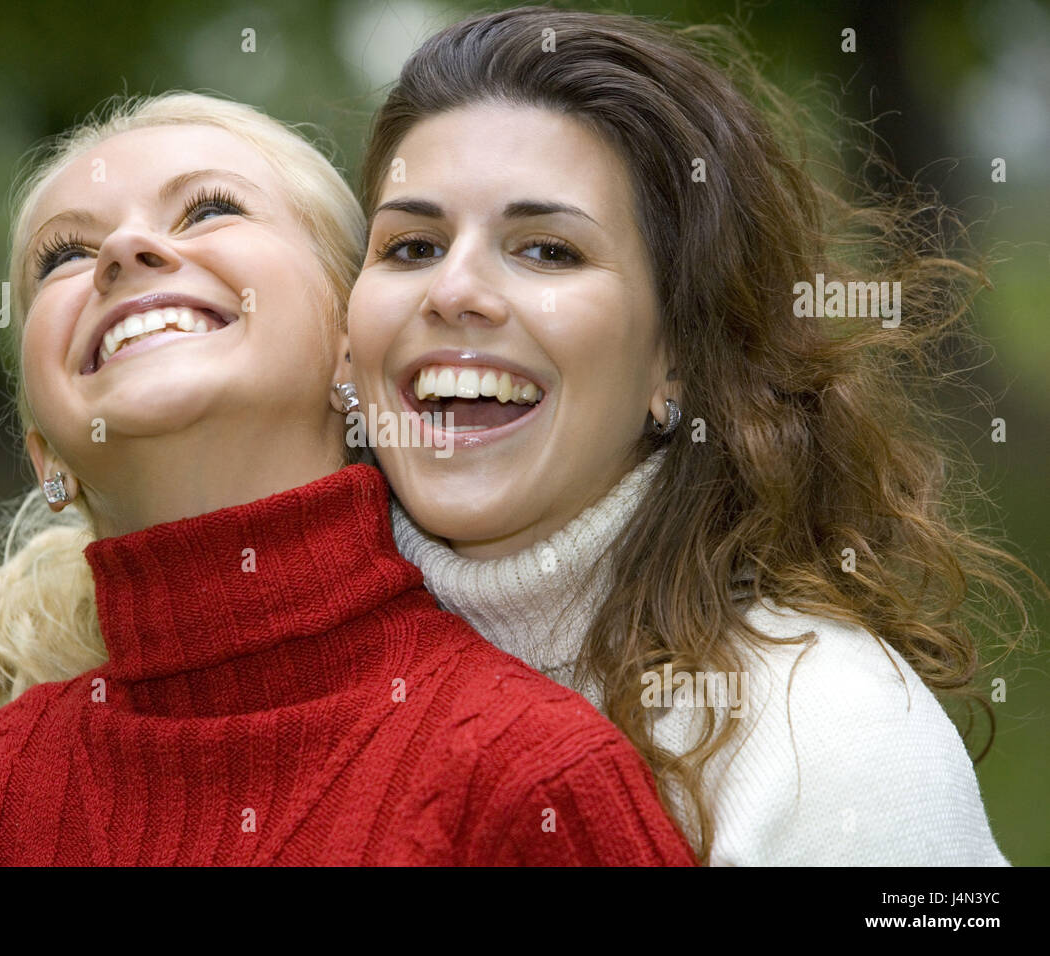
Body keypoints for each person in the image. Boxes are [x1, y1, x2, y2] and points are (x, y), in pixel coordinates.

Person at [0, 91, 697, 866]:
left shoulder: (531, 778)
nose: (122, 252)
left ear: (350, 346)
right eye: (64, 255)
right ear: (47, 458)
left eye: (208, 209)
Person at [345, 7, 1039, 865]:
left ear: (674, 359)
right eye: (412, 246)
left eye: (548, 251)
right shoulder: (291, 691)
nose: (453, 290)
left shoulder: (835, 732)